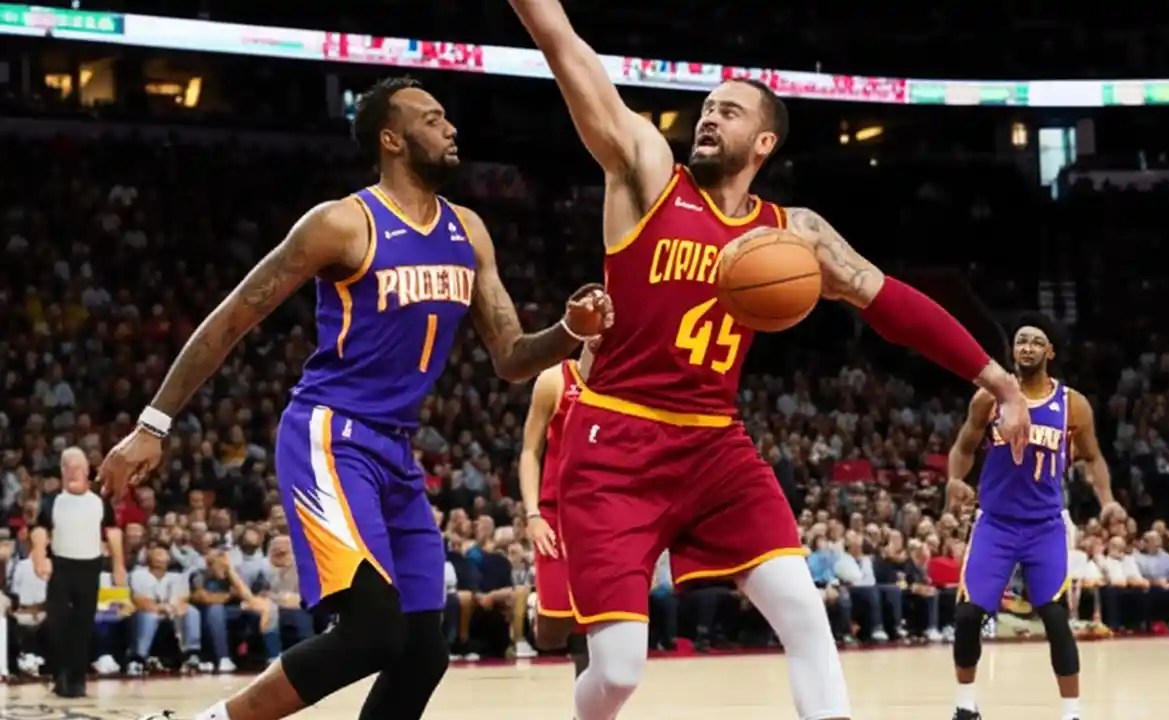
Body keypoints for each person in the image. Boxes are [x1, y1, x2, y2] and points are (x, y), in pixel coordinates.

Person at [507, 3, 1033, 718]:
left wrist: (996, 378)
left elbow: (891, 303)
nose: (708, 118)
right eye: (706, 108)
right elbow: (564, 46)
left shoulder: (793, 234)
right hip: (614, 445)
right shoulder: (645, 173)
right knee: (621, 671)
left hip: (715, 444)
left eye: (726, 111)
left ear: (762, 142)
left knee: (802, 611)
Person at [98, 75, 613, 720]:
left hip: (396, 452)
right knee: (373, 630)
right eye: (432, 119)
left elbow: (510, 357)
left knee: (424, 650)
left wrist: (570, 332)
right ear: (392, 139)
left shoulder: (469, 231)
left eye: (447, 117)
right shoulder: (343, 222)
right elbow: (233, 317)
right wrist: (153, 422)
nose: (450, 128)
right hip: (330, 436)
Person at [945, 315, 1123, 720]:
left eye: (1035, 342)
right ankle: (965, 705)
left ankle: (1072, 713)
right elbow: (963, 446)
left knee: (1056, 616)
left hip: (1045, 525)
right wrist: (955, 479)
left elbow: (1093, 458)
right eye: (1021, 340)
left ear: (1050, 352)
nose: (1027, 347)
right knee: (969, 613)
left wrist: (1107, 499)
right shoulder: (988, 398)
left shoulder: (1072, 404)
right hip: (995, 522)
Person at [518, 344, 594, 673]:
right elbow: (529, 451)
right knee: (553, 633)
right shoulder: (555, 379)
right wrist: (533, 515)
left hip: (604, 515)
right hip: (555, 515)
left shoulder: (627, 385)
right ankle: (536, 607)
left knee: (596, 626)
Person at [31, 446, 126, 698]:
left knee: (83, 624)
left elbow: (113, 534)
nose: (72, 471)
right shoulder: (52, 500)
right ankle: (60, 674)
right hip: (61, 566)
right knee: (58, 622)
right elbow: (40, 531)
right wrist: (40, 558)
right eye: (67, 466)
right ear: (62, 471)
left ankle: (78, 678)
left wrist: (119, 567)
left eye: (77, 467)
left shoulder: (99, 501)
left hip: (89, 566)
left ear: (86, 470)